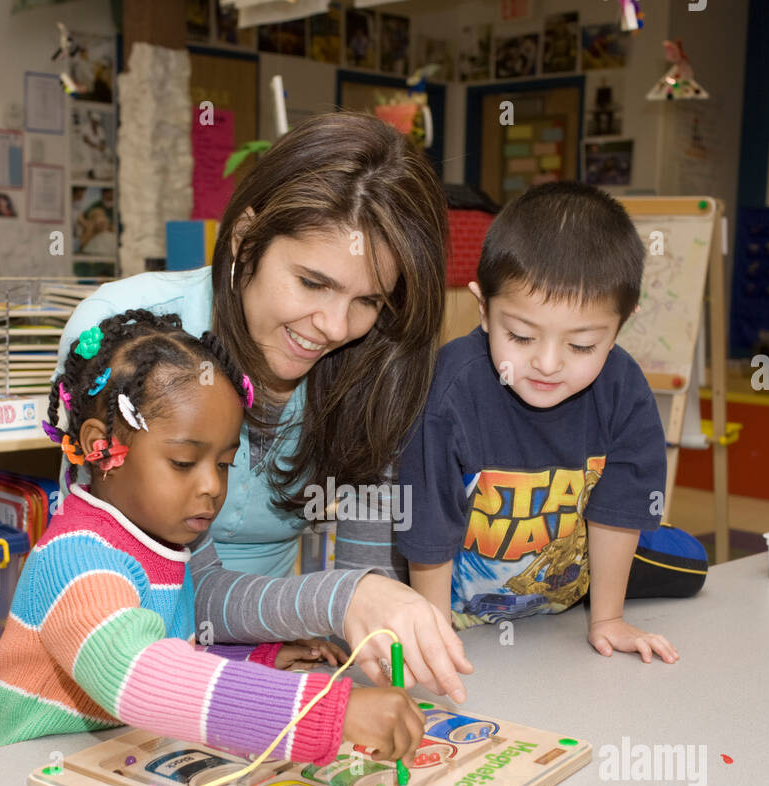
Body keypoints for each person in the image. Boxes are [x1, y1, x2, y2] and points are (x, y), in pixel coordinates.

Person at [55, 111, 473, 703]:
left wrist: (369, 617)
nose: (332, 327)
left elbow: (365, 564)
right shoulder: (128, 344)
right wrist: (341, 599)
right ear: (247, 237)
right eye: (312, 282)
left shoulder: (374, 360)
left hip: (271, 661)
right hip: (118, 676)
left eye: (367, 300)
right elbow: (168, 590)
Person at [0, 313, 426, 764]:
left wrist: (258, 660)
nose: (212, 486)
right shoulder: (76, 557)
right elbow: (138, 676)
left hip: (100, 763)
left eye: (224, 464)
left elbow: (174, 656)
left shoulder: (164, 542)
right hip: (18, 784)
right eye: (183, 462)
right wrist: (327, 711)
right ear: (101, 448)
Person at [396, 181, 708, 662]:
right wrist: (435, 634)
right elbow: (428, 523)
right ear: (483, 309)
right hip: (455, 609)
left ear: (622, 326)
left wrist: (607, 620)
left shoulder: (624, 389)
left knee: (695, 568)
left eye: (581, 345)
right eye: (520, 336)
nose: (546, 363)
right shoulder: (449, 392)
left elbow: (619, 509)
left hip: (563, 595)